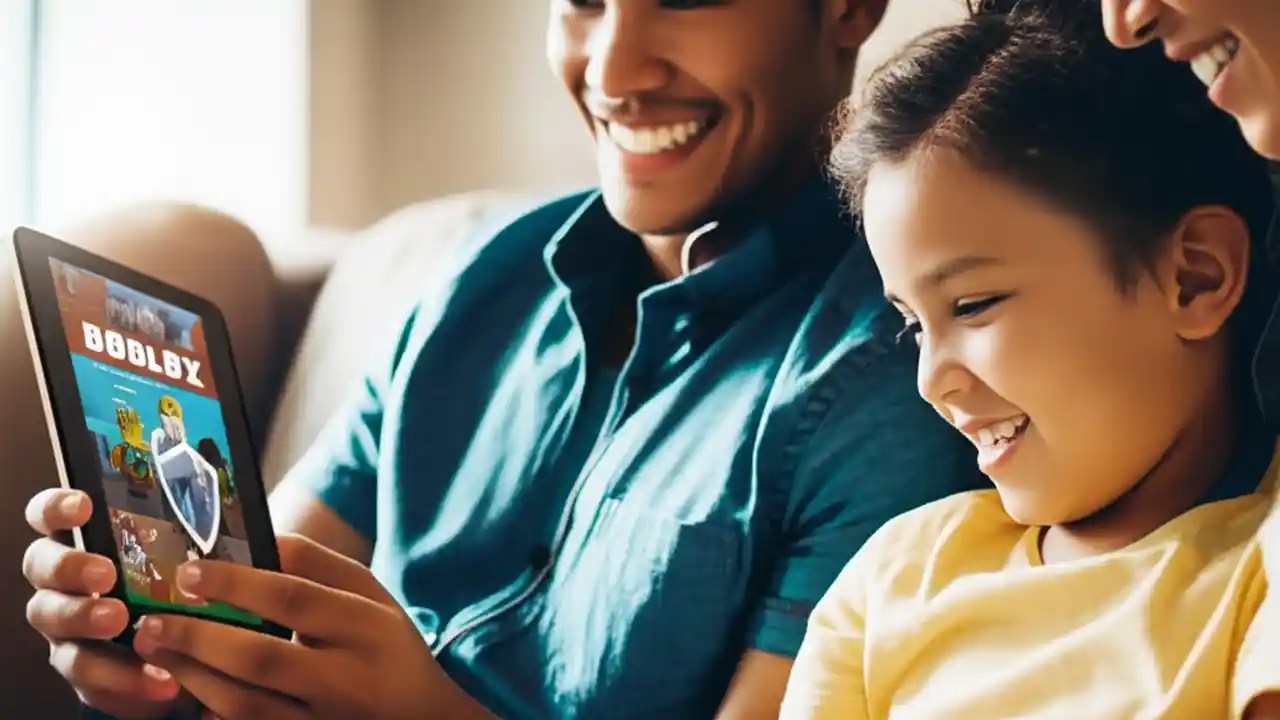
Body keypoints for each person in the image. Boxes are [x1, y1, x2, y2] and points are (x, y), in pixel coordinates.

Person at [21, 1, 982, 718]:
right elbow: (254, 603)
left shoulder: (900, 381)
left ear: (848, 8)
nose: (615, 69)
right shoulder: (477, 279)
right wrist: (162, 655)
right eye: (584, 1)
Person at [778, 1, 1280, 717]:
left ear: (1194, 277)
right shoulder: (892, 579)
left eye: (973, 305)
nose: (930, 381)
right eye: (913, 326)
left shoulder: (1257, 573)